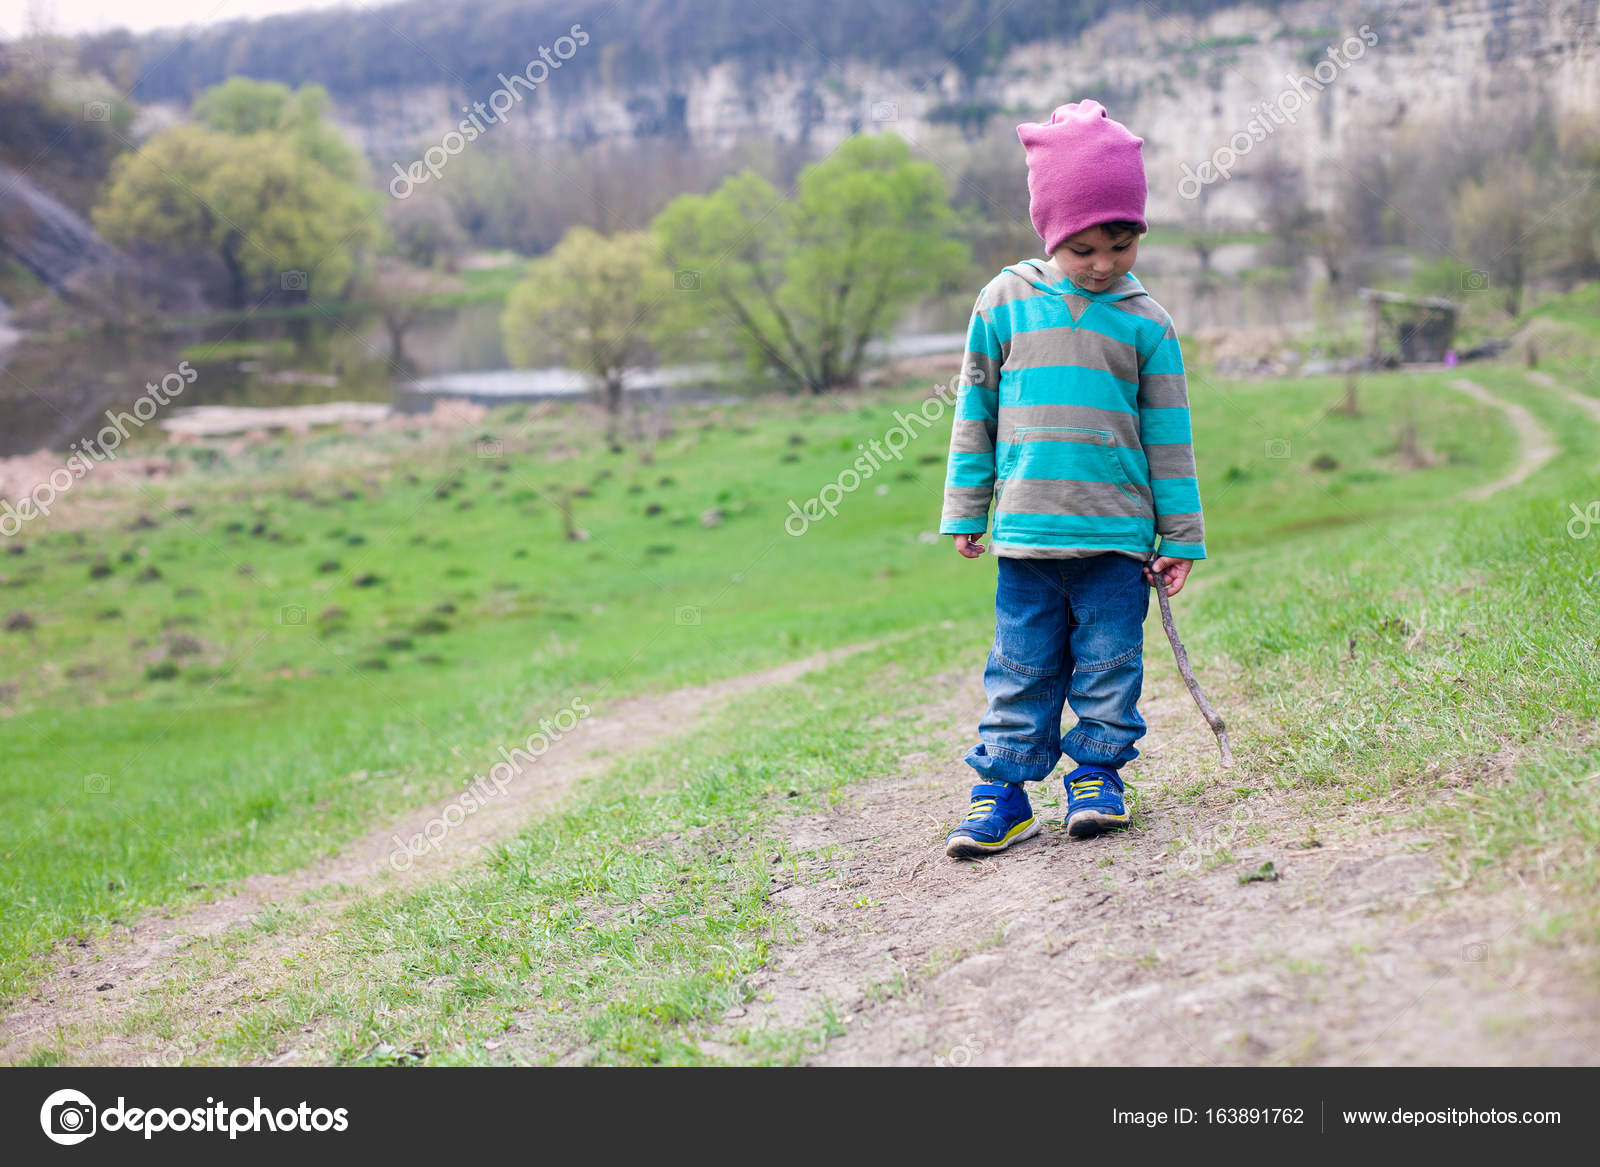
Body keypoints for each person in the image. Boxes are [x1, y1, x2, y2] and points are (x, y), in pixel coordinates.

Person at [939, 99, 1207, 858]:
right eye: (1082, 246)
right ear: (1050, 232)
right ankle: (1003, 791)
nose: (1100, 263)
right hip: (1025, 534)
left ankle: (1095, 774)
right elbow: (975, 411)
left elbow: (1169, 437)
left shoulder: (1146, 322)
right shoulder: (1002, 304)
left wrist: (1180, 534)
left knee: (1110, 663)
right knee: (1020, 667)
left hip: (1117, 539)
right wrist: (966, 506)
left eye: (1119, 244)